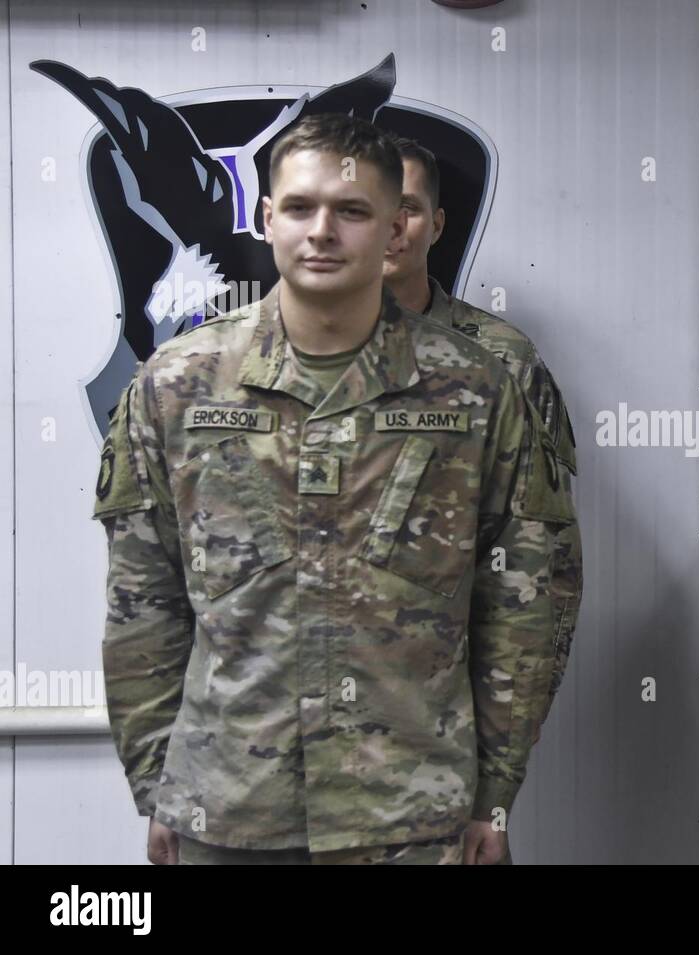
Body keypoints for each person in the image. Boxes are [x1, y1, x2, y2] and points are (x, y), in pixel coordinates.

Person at [93, 114, 569, 865]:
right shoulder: (177, 386)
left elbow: (520, 605)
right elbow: (141, 603)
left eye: (351, 211)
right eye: (300, 207)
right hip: (228, 809)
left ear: (394, 231)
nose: (322, 231)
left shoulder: (476, 390)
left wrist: (496, 794)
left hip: (412, 815)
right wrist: (158, 786)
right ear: (264, 217)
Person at [381, 137, 582, 738]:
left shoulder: (500, 361)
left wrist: (506, 736)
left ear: (437, 224)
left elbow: (550, 563)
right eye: (371, 205)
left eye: (408, 208)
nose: (392, 226)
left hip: (442, 716)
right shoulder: (283, 355)